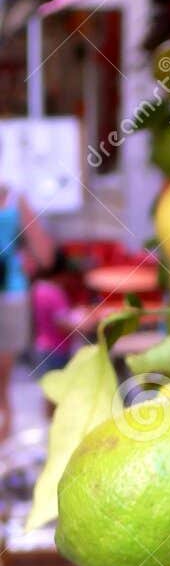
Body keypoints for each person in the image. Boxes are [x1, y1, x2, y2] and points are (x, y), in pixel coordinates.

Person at [0, 184, 55, 439]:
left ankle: (6, 417)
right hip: (12, 290)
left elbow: (45, 256)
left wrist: (28, 259)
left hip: (11, 291)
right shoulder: (14, 199)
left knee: (5, 360)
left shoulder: (14, 198)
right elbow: (45, 256)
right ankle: (6, 415)